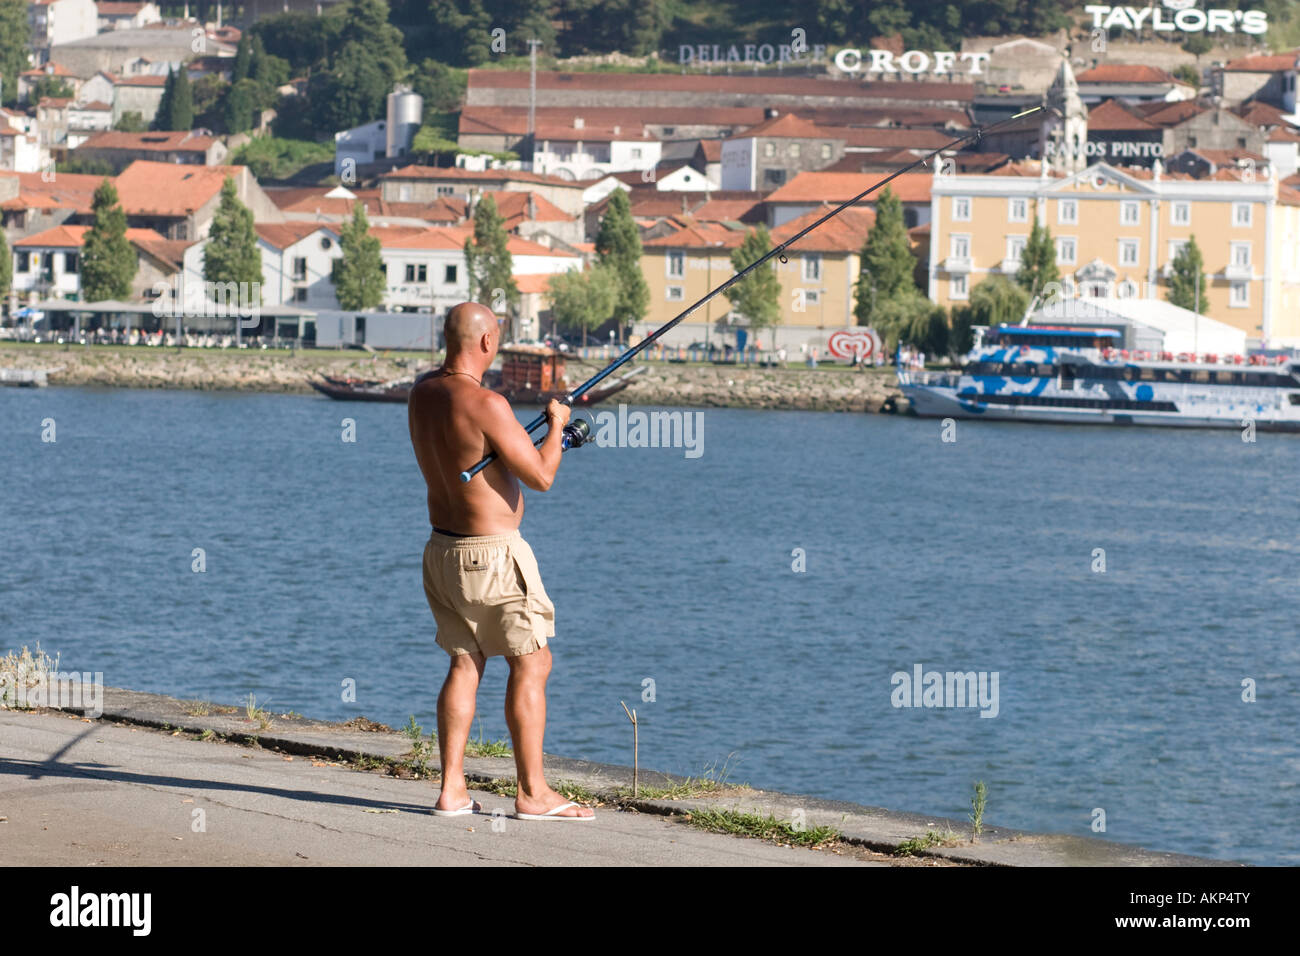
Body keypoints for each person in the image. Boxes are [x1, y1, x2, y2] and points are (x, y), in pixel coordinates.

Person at [407, 301, 594, 822]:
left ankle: (452, 790)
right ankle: (533, 794)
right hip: (492, 555)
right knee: (533, 662)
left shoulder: (421, 394)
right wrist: (558, 424)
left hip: (442, 549)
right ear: (487, 342)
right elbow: (540, 476)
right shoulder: (488, 403)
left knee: (466, 662)